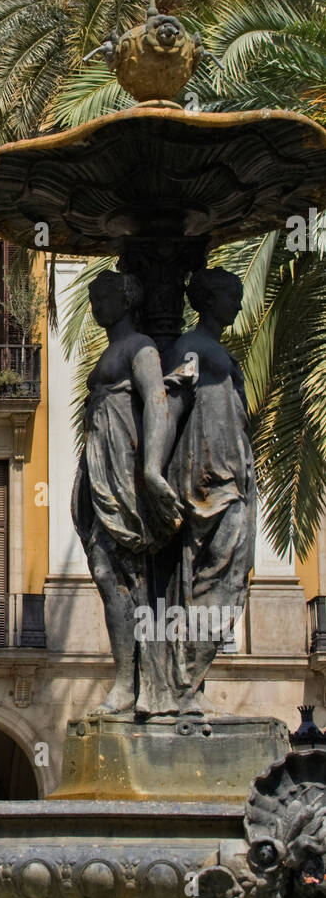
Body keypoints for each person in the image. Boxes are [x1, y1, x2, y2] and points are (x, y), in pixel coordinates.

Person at [72, 270, 185, 717]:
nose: (95, 305)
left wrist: (154, 470)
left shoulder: (140, 348)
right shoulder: (114, 349)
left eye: (101, 296)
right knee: (106, 572)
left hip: (125, 475)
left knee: (124, 574)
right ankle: (130, 679)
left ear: (125, 298)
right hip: (101, 469)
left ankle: (132, 682)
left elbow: (158, 401)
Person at [162, 267, 256, 698]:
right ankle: (182, 672)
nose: (238, 302)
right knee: (212, 569)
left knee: (230, 567)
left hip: (231, 475)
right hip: (207, 479)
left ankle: (187, 673)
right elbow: (174, 408)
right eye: (231, 294)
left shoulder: (211, 347)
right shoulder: (191, 346)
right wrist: (152, 470)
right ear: (209, 299)